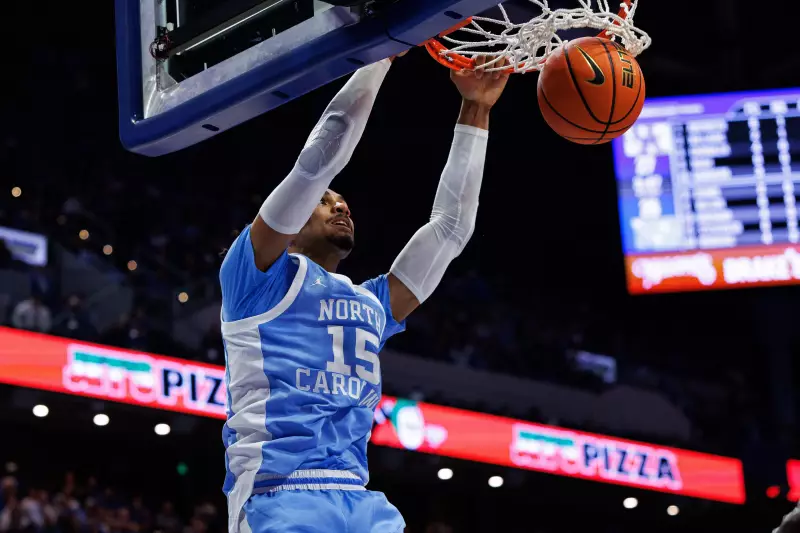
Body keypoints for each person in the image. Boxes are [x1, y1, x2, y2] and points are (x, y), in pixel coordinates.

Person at [219, 53, 510, 533]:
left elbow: (451, 229)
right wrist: (380, 54)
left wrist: (476, 110)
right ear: (287, 227)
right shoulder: (254, 275)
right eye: (326, 202)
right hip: (280, 493)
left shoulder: (372, 305)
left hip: (359, 499)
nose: (340, 204)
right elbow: (317, 163)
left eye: (343, 202)